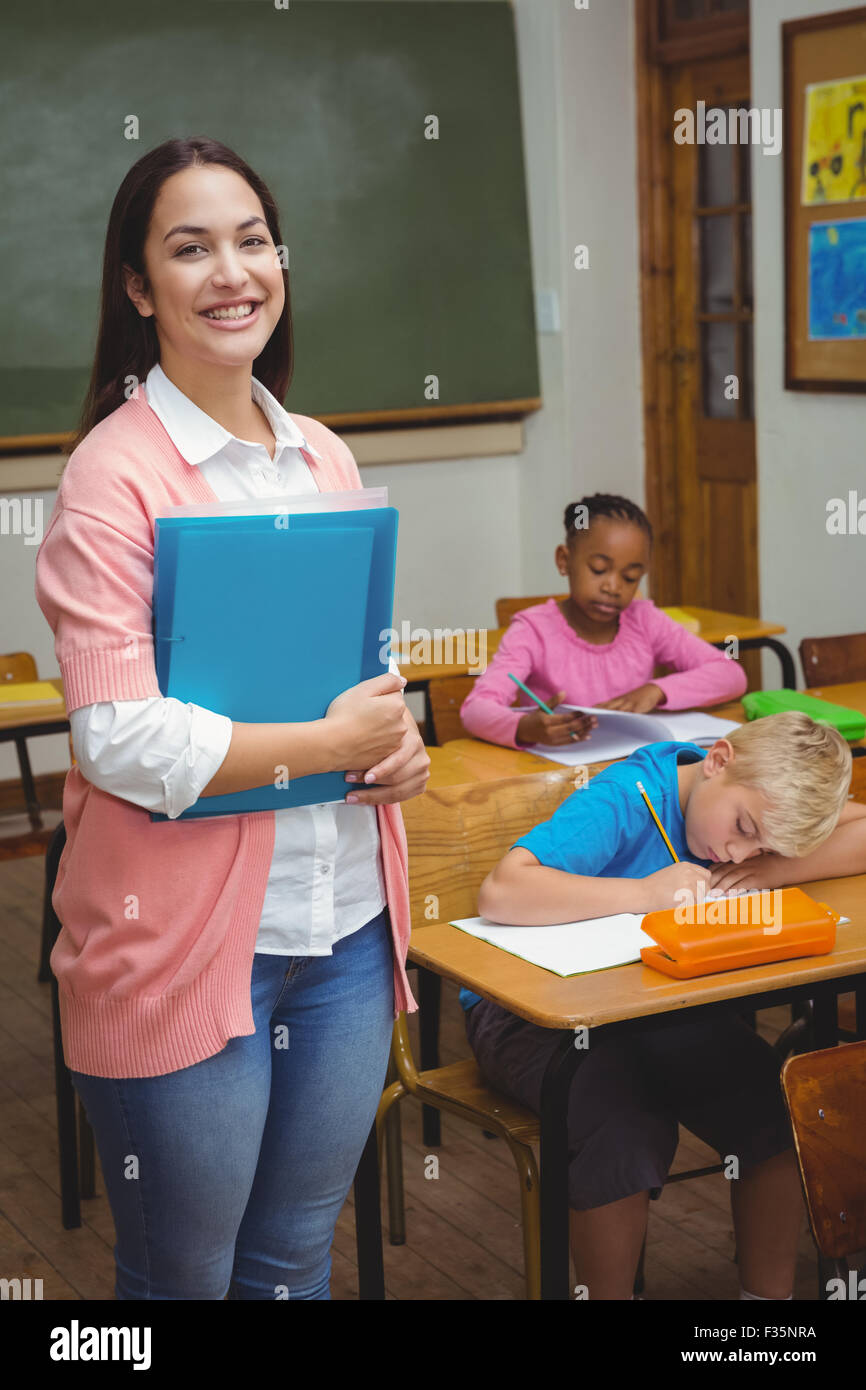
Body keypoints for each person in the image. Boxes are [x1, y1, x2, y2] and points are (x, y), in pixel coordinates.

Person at [34, 136, 430, 1300]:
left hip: (345, 929)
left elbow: (361, 677)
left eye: (251, 240)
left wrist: (390, 749)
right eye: (190, 247)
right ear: (136, 284)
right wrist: (325, 748)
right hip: (187, 943)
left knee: (291, 1261)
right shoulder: (113, 476)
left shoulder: (320, 454)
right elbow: (117, 735)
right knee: (184, 1277)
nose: (231, 271)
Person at [459, 711, 866, 1300]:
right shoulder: (626, 798)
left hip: (655, 1009)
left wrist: (773, 866)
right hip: (529, 1014)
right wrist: (644, 895)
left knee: (775, 1117)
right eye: (743, 827)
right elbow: (503, 892)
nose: (735, 849)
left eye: (760, 844)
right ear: (719, 760)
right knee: (622, 1128)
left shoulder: (743, 818)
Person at [460, 493, 748, 749]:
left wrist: (656, 691)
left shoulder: (644, 619)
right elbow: (476, 709)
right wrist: (524, 728)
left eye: (630, 577)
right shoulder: (533, 630)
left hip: (630, 768)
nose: (613, 587)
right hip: (554, 772)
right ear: (564, 561)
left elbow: (731, 675)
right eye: (599, 569)